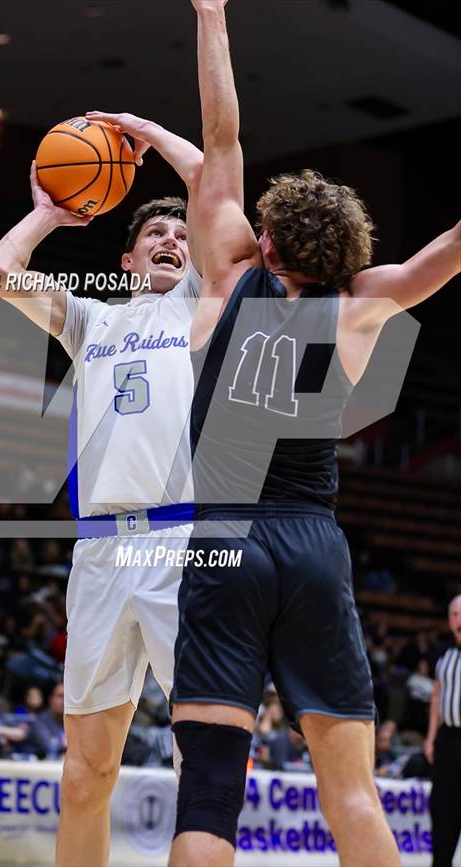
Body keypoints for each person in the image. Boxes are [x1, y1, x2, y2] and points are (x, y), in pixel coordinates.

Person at [168, 3, 461, 866]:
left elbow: (221, 140)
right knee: (352, 793)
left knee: (212, 790)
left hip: (224, 538)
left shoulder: (226, 270)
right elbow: (446, 249)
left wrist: (211, 14)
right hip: (311, 540)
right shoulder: (364, 304)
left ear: (265, 235)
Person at [0, 114, 203, 867]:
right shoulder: (93, 320)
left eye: (181, 235)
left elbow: (212, 177)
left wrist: (144, 132)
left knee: (202, 766)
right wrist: (48, 211)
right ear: (126, 258)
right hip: (101, 552)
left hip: (184, 545)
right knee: (85, 773)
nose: (172, 240)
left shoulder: (205, 306)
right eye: (156, 236)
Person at [424, 595, 461, 867]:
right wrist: (430, 737)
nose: (459, 619)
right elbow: (437, 697)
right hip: (447, 739)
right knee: (442, 807)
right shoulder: (443, 654)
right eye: (454, 614)